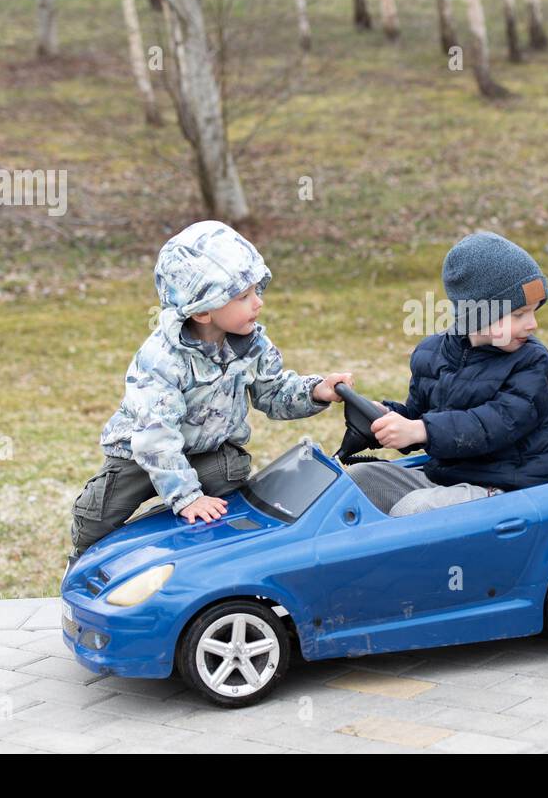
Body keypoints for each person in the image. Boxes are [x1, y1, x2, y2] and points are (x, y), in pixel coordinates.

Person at [70, 220, 352, 564]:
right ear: (203, 309)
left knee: (230, 475)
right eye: (243, 296)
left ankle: (213, 561)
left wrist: (316, 391)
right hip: (141, 454)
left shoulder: (252, 344)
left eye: (256, 292)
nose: (258, 303)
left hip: (206, 451)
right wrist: (186, 497)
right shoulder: (161, 359)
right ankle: (86, 569)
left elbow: (273, 392)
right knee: (94, 517)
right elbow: (154, 437)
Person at [347, 232, 548, 517]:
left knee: (416, 508)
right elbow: (420, 413)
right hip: (447, 478)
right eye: (520, 314)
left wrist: (421, 430)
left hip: (505, 488)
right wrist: (387, 418)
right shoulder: (432, 354)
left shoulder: (532, 362)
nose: (532, 324)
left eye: (534, 312)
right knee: (359, 480)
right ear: (479, 314)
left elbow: (490, 425)